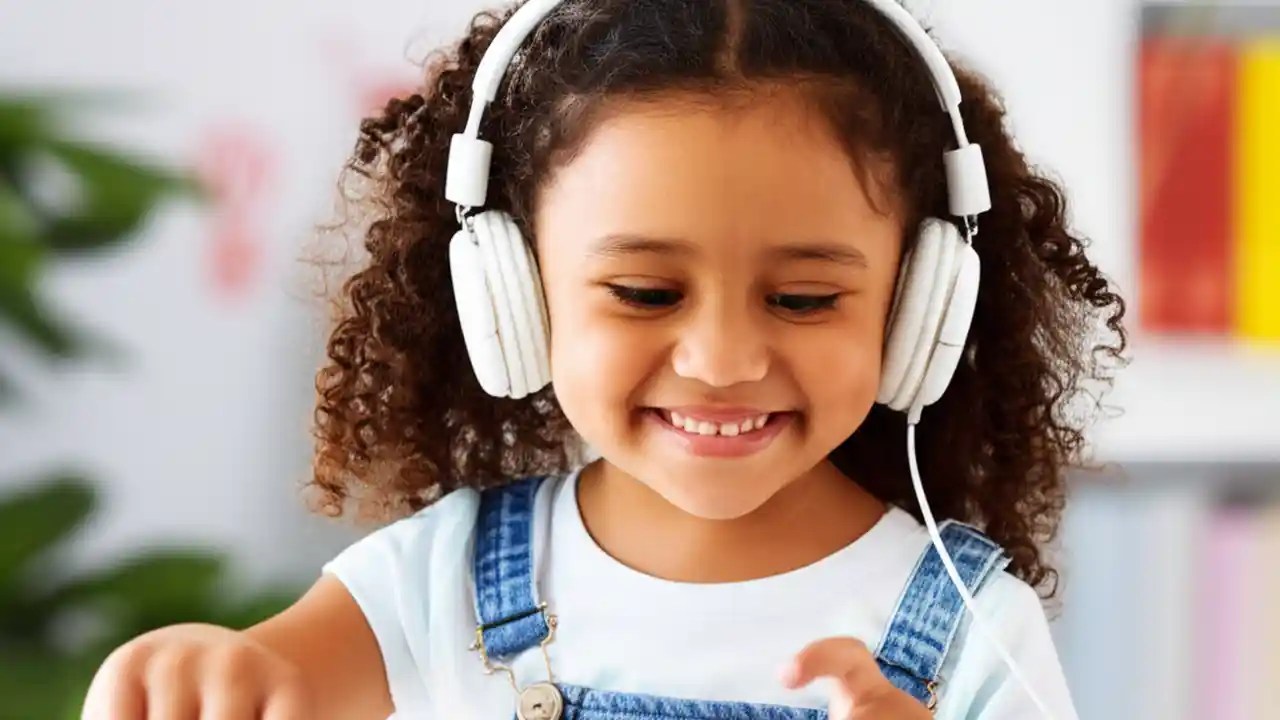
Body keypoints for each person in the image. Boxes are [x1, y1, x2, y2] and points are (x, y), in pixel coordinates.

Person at [82, 0, 1128, 718]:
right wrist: (202, 669)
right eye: (643, 293)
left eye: (803, 298)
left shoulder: (966, 625)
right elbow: (267, 679)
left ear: (920, 308)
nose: (720, 359)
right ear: (511, 292)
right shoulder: (440, 579)